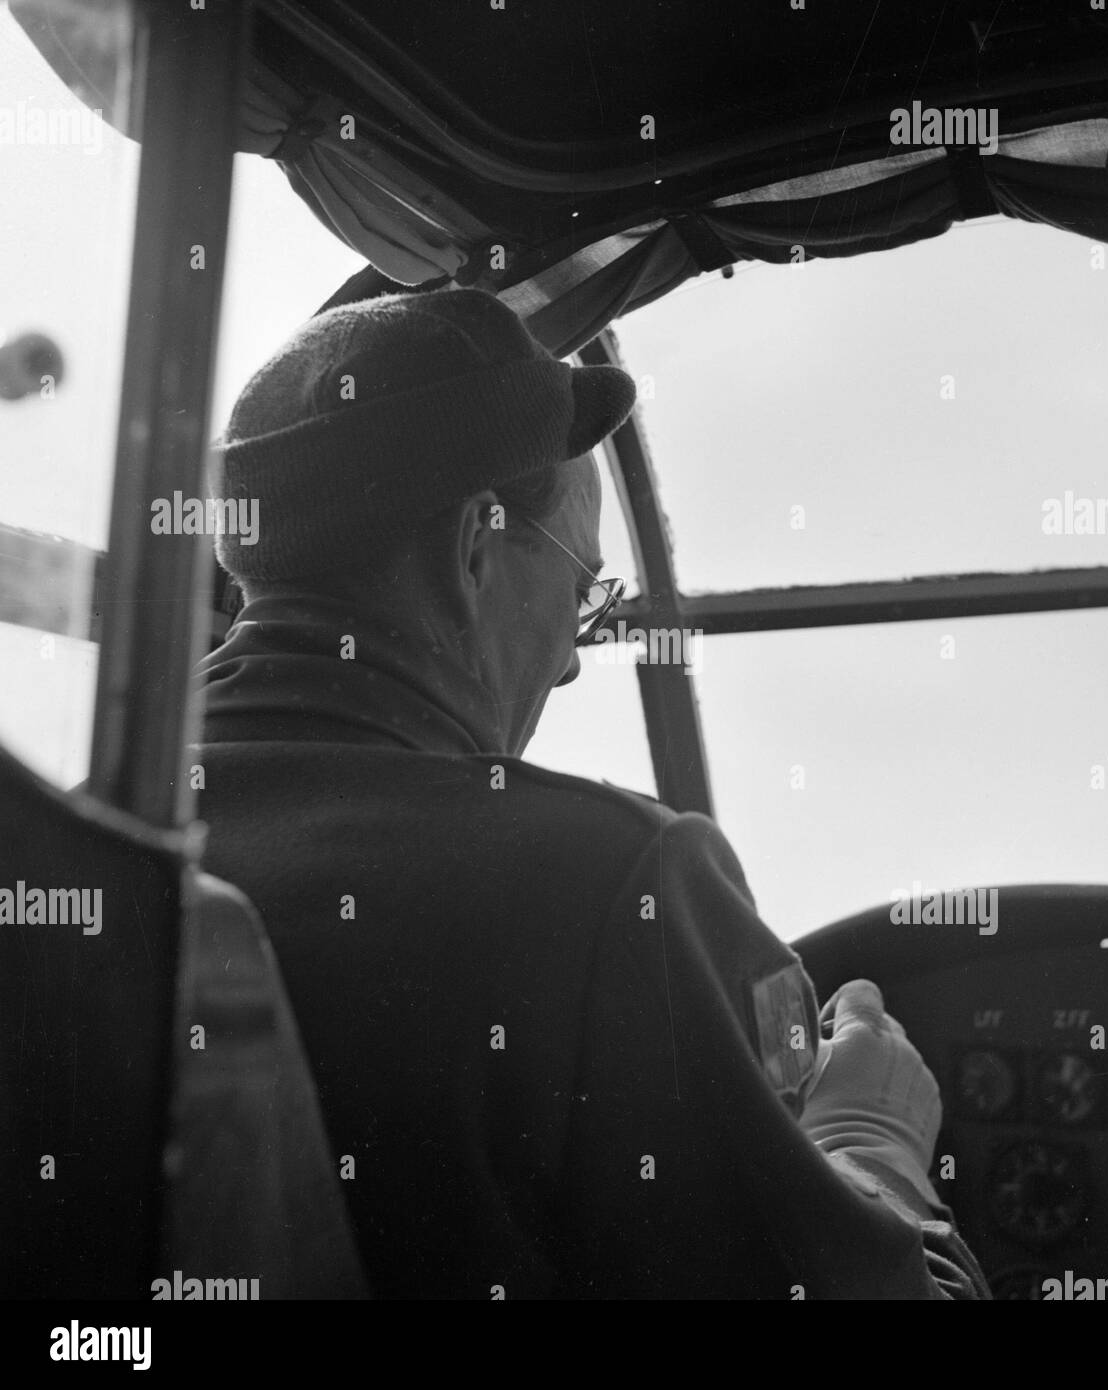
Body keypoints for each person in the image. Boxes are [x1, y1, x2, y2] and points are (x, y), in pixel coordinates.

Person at [194, 287, 990, 1299]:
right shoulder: (617, 888)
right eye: (584, 593)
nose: (572, 664)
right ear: (474, 547)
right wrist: (869, 1146)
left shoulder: (75, 845)